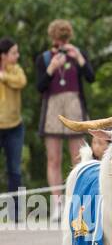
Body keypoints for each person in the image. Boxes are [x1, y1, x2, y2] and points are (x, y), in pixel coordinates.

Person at [35, 19, 94, 197]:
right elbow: (39, 86)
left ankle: (77, 198)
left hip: (74, 108)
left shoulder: (77, 54)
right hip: (53, 110)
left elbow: (91, 77)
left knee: (78, 156)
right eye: (58, 39)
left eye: (64, 38)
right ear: (52, 37)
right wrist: (51, 68)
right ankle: (57, 202)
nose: (61, 43)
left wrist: (80, 59)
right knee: (54, 158)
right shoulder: (44, 58)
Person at [0, 38, 26, 205]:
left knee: (15, 169)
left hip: (15, 127)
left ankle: (15, 211)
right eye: (13, 53)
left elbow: (21, 82)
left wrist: (4, 76)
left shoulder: (16, 70)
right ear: (3, 55)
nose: (17, 55)